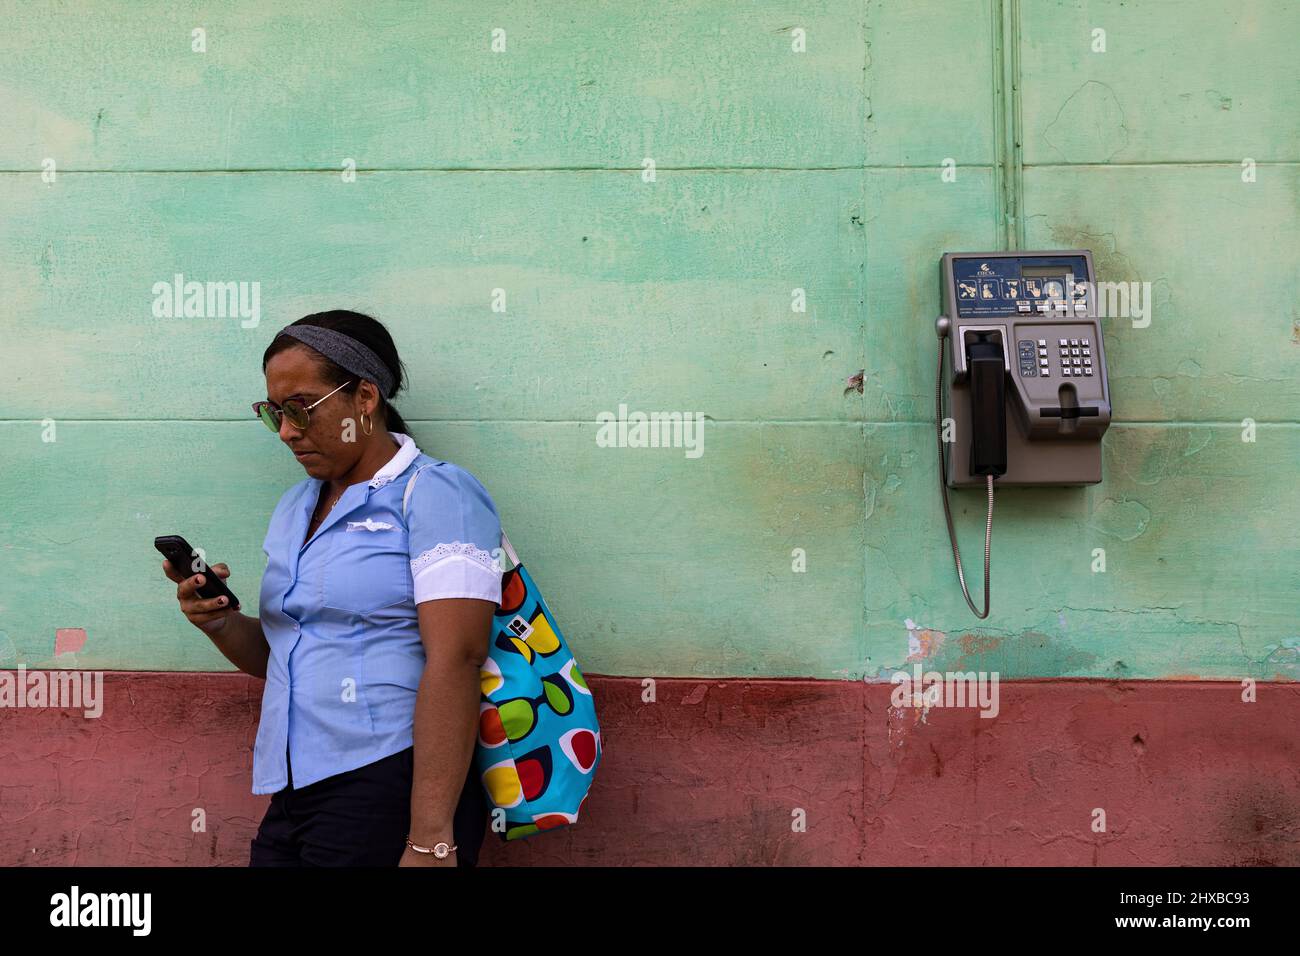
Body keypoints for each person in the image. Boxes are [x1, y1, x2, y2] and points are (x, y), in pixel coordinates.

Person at [162, 309, 503, 866]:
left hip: (390, 777)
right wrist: (220, 622)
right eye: (273, 415)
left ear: (364, 398)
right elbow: (284, 656)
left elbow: (458, 659)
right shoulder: (299, 505)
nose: (289, 432)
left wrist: (431, 837)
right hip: (296, 783)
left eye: (300, 409)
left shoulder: (439, 494)